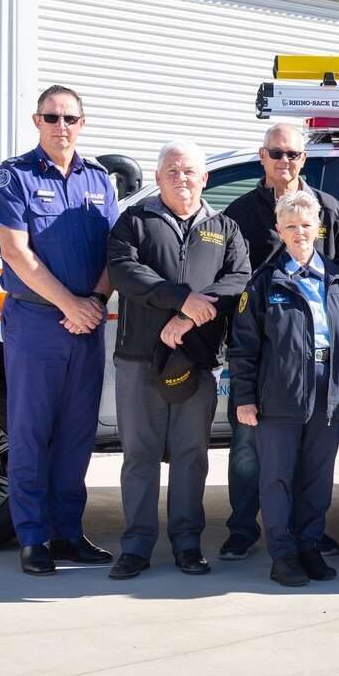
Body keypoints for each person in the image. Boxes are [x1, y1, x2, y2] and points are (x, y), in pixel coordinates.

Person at [0, 85, 119, 575]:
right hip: (37, 322)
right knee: (31, 431)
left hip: (87, 322)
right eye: (52, 117)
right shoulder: (14, 176)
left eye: (70, 118)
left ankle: (67, 533)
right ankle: (34, 538)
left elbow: (115, 252)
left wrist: (95, 302)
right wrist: (71, 304)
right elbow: (15, 252)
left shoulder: (99, 179)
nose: (61, 126)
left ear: (83, 123)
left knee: (77, 434)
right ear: (36, 121)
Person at [105, 140, 251, 579]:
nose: (181, 178)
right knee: (140, 455)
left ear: (204, 178)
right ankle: (136, 547)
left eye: (189, 171)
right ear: (157, 178)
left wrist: (187, 319)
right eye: (172, 171)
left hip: (198, 360)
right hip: (139, 358)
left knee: (191, 454)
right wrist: (180, 298)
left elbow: (239, 279)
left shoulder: (225, 228)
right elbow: (124, 271)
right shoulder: (135, 220)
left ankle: (188, 544)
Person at [219, 122, 339, 562]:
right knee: (248, 446)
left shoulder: (330, 209)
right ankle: (243, 528)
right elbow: (227, 279)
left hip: (317, 362)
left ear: (304, 158)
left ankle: (306, 533)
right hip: (264, 357)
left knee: (311, 452)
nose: (284, 161)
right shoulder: (241, 212)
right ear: (262, 156)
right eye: (276, 153)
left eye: (292, 154)